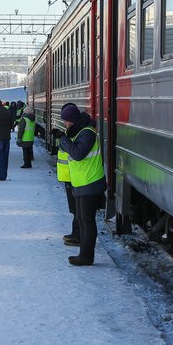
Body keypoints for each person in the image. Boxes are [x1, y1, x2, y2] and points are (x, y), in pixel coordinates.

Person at [58, 103, 106, 266]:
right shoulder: (78, 131)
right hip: (82, 182)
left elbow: (78, 154)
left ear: (73, 119)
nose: (65, 124)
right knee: (81, 218)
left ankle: (86, 256)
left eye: (66, 121)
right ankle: (83, 254)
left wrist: (63, 138)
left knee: (87, 220)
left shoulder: (87, 133)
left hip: (90, 182)